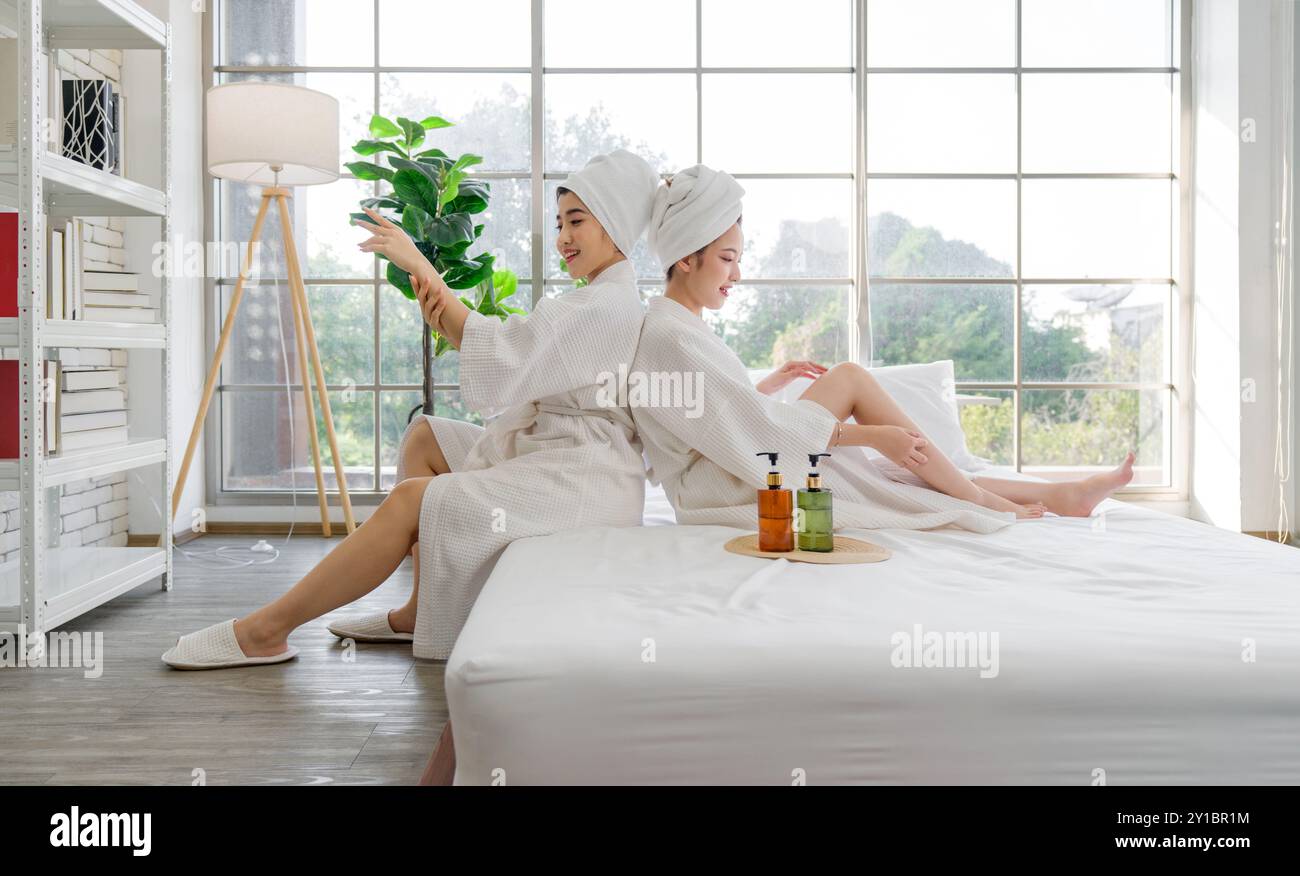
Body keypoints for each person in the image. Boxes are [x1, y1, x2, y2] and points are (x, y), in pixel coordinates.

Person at [162, 149, 660, 669]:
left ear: (617, 224)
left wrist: (423, 266)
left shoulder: (607, 304)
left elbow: (509, 353)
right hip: (561, 451)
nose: (563, 238)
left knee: (411, 501)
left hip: (585, 480)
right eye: (559, 223)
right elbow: (502, 351)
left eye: (576, 222)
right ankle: (421, 611)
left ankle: (265, 630)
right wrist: (435, 297)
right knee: (426, 437)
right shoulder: (598, 300)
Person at [627, 164, 1136, 535]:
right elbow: (739, 429)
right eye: (727, 258)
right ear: (686, 259)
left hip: (730, 467)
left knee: (889, 473)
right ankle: (982, 497)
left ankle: (1054, 495)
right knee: (856, 398)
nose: (737, 274)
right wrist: (871, 434)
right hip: (723, 487)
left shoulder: (681, 329)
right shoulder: (672, 336)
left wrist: (769, 384)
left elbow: (716, 417)